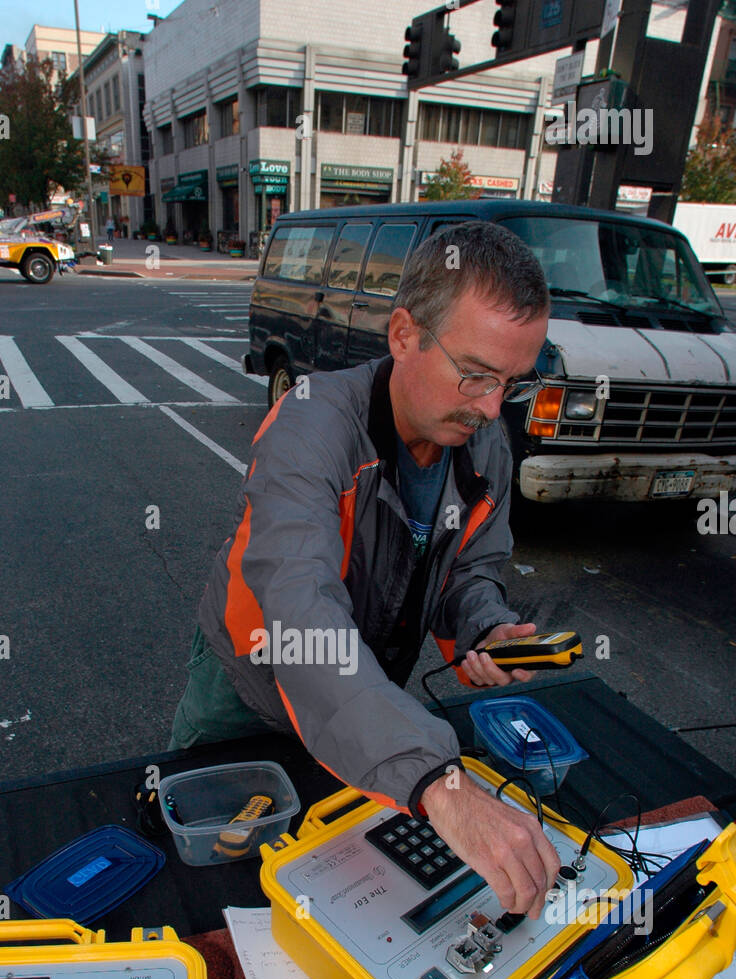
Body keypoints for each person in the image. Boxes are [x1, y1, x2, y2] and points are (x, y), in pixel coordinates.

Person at [170, 221, 562, 918]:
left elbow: (470, 570)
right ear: (405, 334)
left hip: (370, 709)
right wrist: (438, 786)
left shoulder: (485, 442)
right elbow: (305, 620)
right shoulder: (309, 427)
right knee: (210, 902)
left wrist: (485, 627)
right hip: (247, 699)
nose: (491, 407)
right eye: (474, 374)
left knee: (332, 902)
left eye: (510, 382)